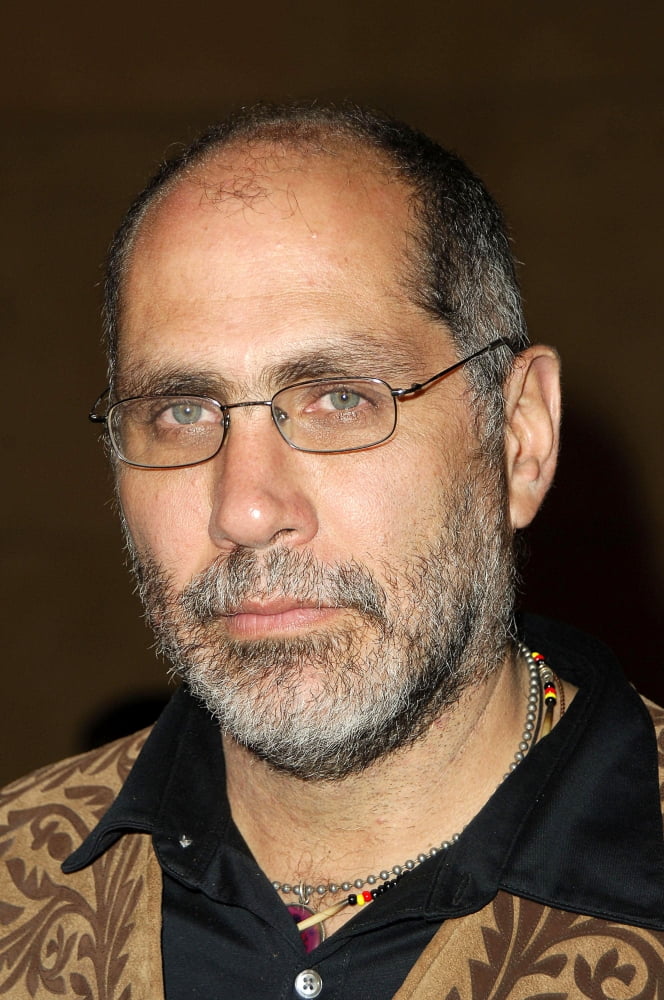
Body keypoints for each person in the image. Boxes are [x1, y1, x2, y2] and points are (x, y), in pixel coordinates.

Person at [1, 101, 663, 1000]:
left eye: (339, 399)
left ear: (519, 437)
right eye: (181, 412)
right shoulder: (15, 883)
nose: (244, 508)